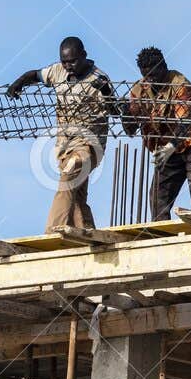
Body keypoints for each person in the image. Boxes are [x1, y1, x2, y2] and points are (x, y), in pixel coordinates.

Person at [7, 36, 118, 232]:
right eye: (65, 61)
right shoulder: (57, 71)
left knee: (69, 176)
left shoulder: (98, 78)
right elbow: (35, 74)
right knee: (76, 193)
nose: (68, 66)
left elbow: (115, 111)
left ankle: (52, 230)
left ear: (84, 55)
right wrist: (19, 83)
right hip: (65, 144)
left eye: (73, 61)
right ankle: (87, 230)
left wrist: (106, 91)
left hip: (90, 144)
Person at [121, 45, 191, 221]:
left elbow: (185, 123)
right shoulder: (139, 90)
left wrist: (169, 148)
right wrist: (125, 113)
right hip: (168, 146)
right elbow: (130, 130)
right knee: (158, 193)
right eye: (147, 76)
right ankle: (161, 234)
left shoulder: (180, 84)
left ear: (164, 66)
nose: (151, 80)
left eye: (155, 74)